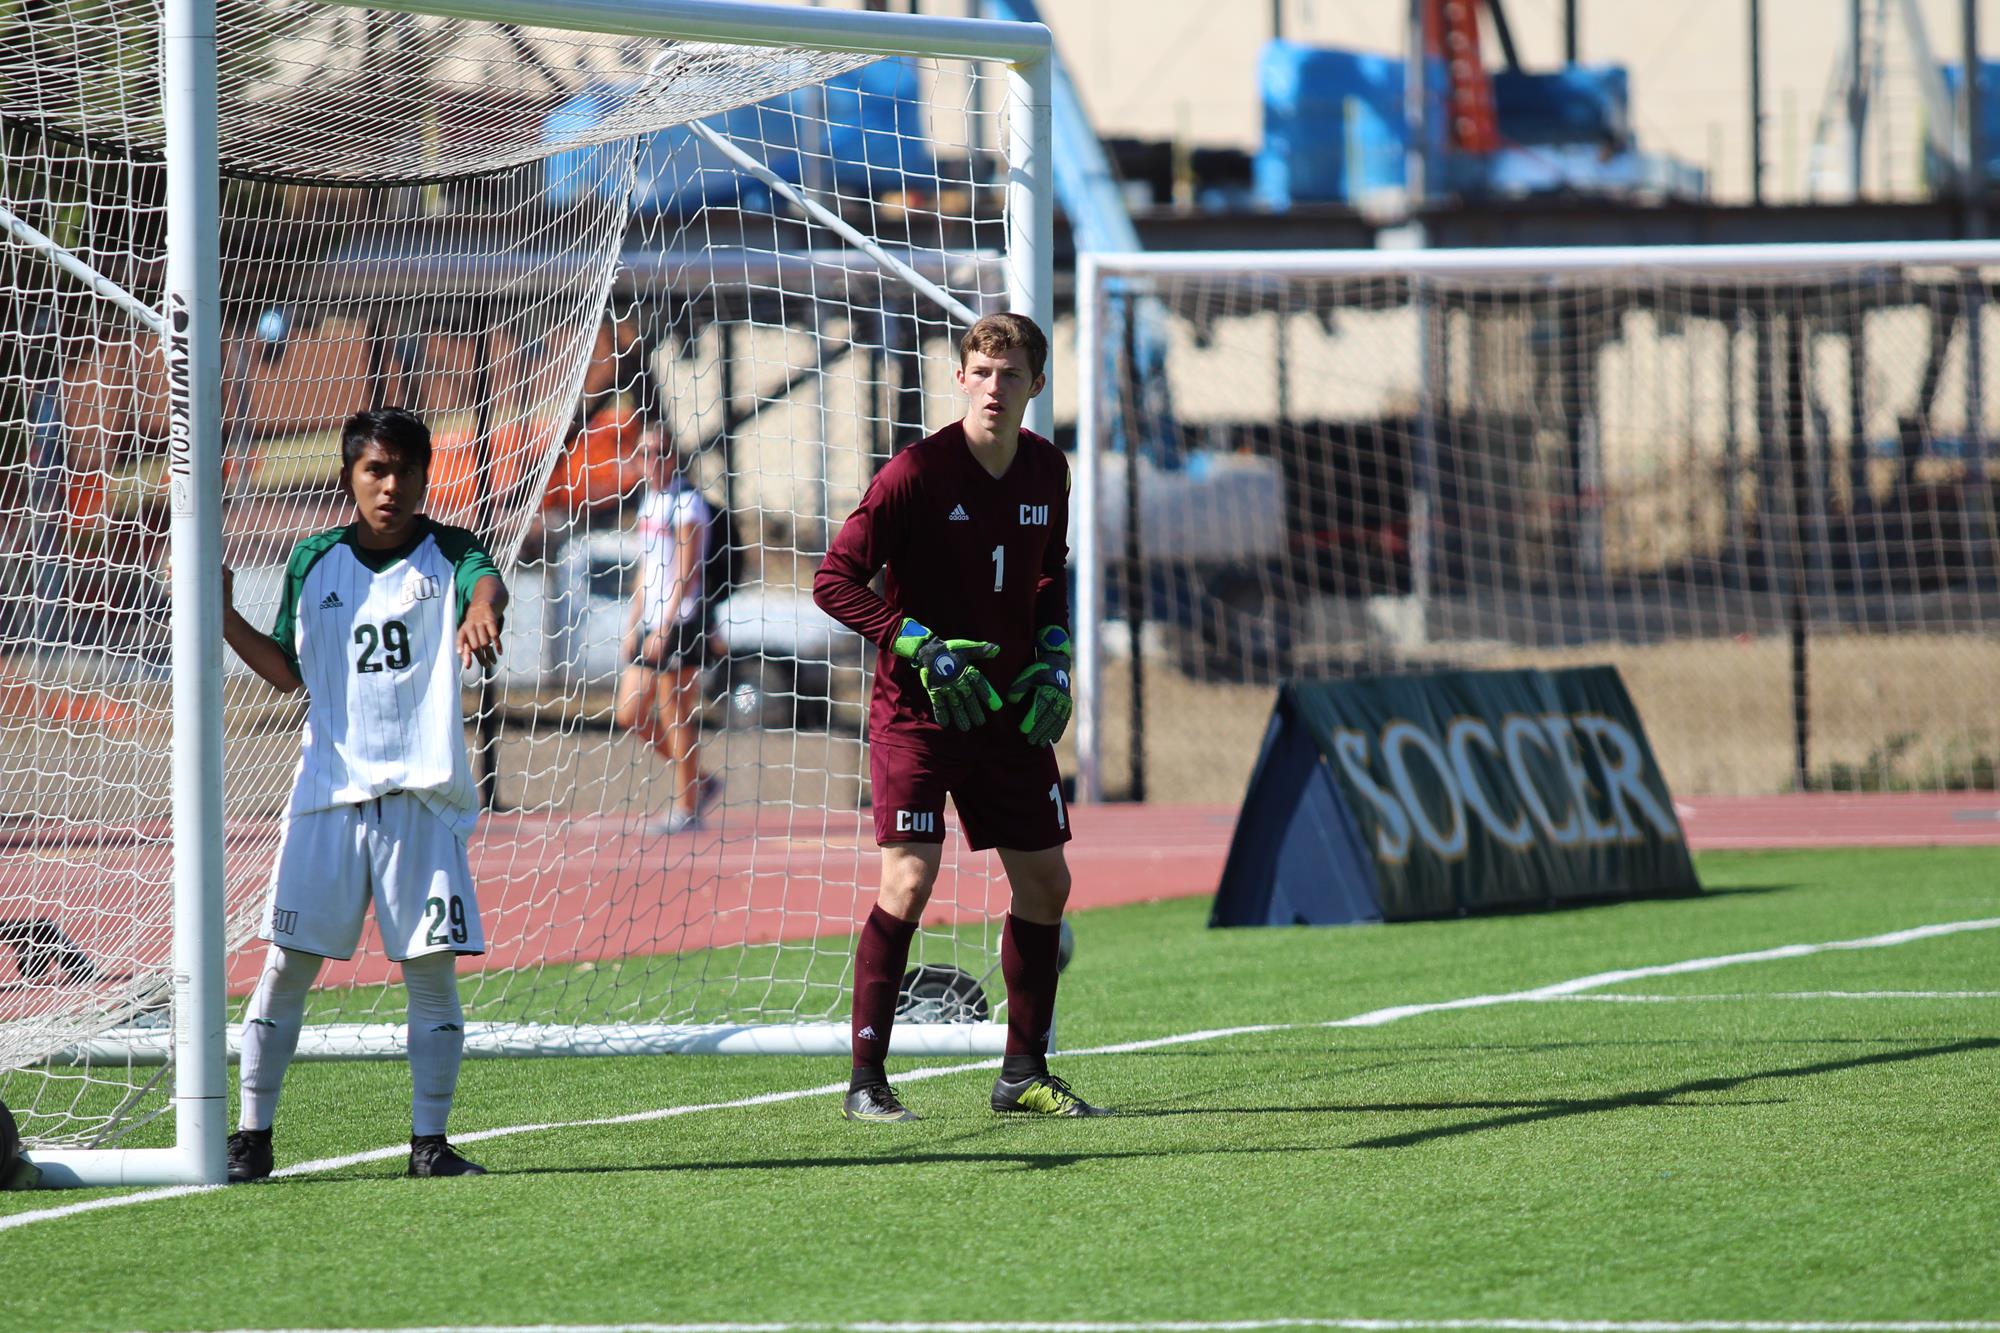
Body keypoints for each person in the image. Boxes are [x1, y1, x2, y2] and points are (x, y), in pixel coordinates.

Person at [812, 311, 1108, 1121]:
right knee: (908, 879)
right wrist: (917, 643)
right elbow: (834, 581)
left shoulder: (1050, 471)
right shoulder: (915, 473)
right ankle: (865, 1082)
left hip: (1008, 712)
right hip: (921, 712)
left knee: (1048, 883)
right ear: (960, 378)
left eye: (1011, 375)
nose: (994, 387)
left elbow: (1049, 575)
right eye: (980, 371)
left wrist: (1054, 652)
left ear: (1036, 386)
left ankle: (1023, 1073)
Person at [219, 406, 508, 1181]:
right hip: (327, 798)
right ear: (349, 475)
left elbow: (487, 588)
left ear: (424, 477)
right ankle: (252, 1137)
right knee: (286, 965)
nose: (390, 486)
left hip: (419, 800)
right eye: (375, 470)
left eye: (404, 471)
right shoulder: (313, 559)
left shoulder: (452, 551)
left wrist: (481, 614)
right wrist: (222, 618)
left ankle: (429, 1143)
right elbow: (289, 671)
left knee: (431, 972)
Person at [616, 425, 723, 834]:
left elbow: (687, 568)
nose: (651, 460)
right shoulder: (649, 503)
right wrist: (634, 622)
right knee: (631, 713)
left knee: (674, 712)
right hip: (651, 622)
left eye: (659, 452)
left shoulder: (687, 504)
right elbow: (646, 569)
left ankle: (687, 809)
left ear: (674, 457)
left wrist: (665, 624)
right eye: (644, 453)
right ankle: (699, 779)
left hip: (683, 621)